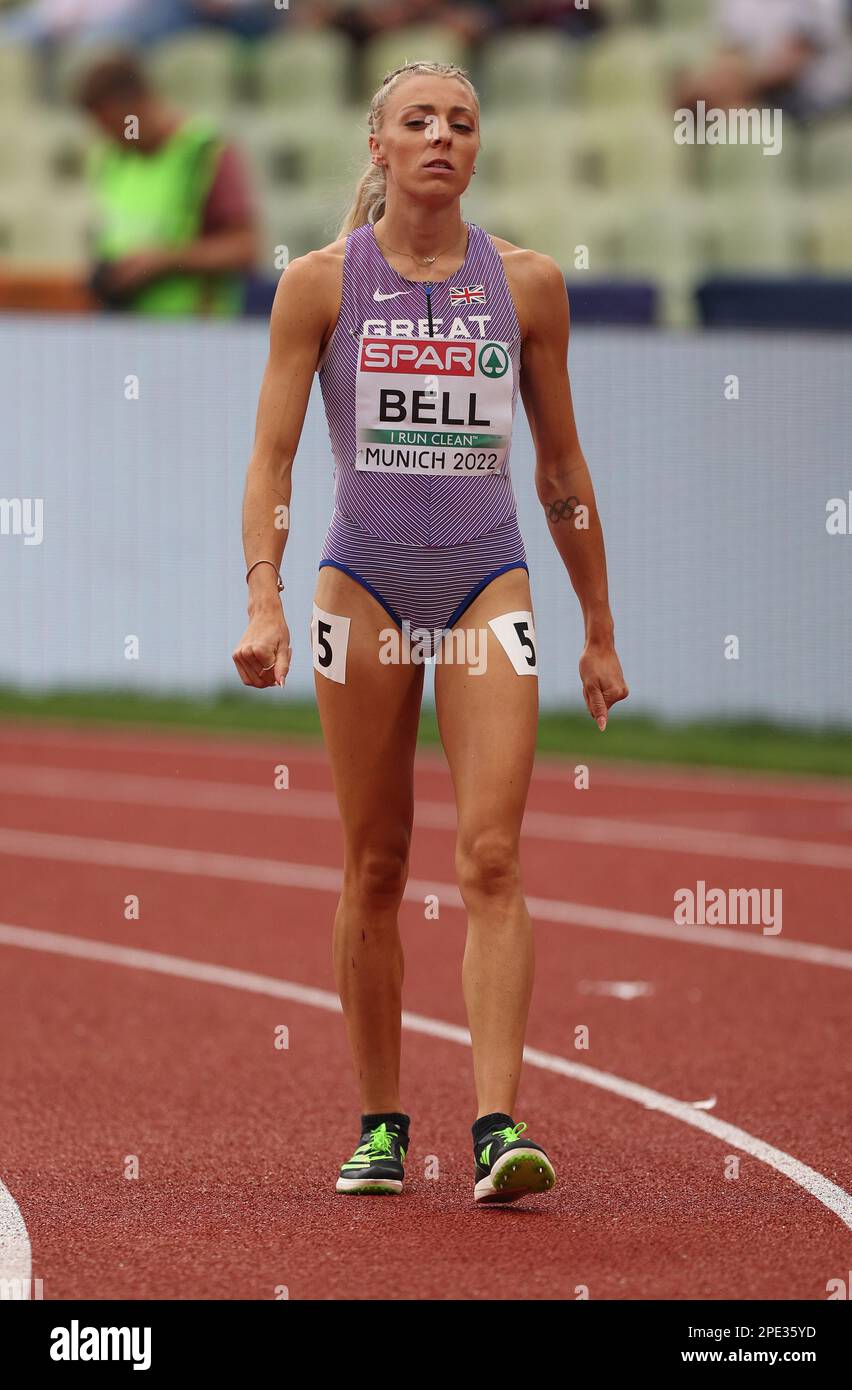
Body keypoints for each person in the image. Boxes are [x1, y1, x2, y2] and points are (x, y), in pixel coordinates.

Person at [232, 60, 628, 1203]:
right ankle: (379, 1124)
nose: (442, 136)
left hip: (483, 583)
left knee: (492, 854)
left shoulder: (528, 286)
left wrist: (597, 623)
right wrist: (263, 597)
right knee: (374, 862)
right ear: (379, 145)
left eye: (461, 121)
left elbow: (559, 467)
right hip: (355, 588)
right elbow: (269, 458)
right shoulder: (316, 285)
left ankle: (499, 1125)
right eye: (419, 121)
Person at [77, 53, 257, 315]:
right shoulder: (114, 161)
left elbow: (245, 248)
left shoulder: (204, 151)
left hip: (195, 334)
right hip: (125, 331)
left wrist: (165, 261)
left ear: (138, 106)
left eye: (112, 125)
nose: (107, 136)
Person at [675, 0, 852, 121]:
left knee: (726, 110)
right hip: (766, 92)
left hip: (823, 101)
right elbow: (730, 56)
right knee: (699, 101)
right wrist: (705, 86)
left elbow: (789, 67)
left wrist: (722, 86)